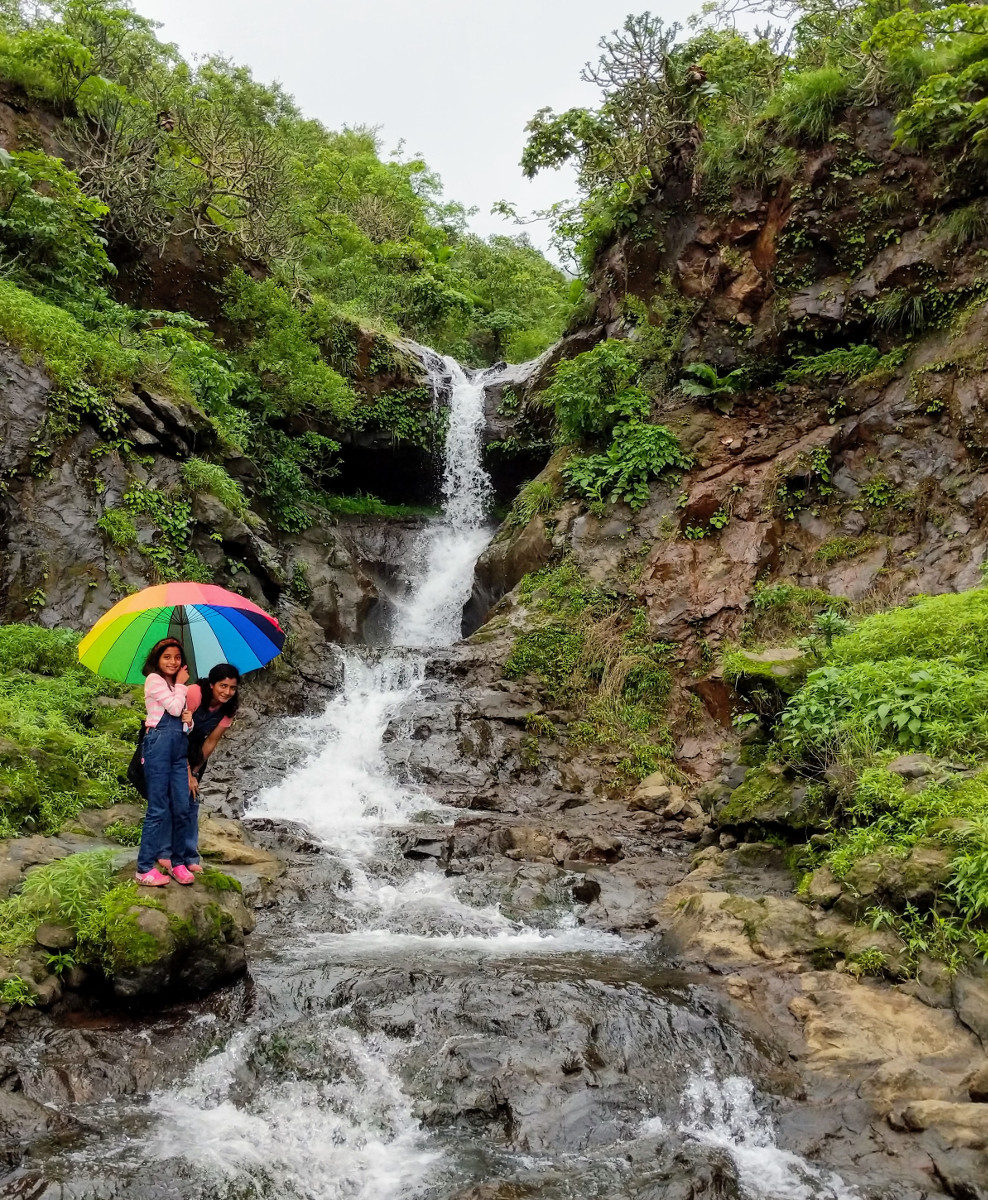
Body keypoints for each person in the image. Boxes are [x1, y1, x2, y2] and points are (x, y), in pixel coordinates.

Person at [135, 638, 198, 887]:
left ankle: (179, 862)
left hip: (178, 748)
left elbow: (181, 721)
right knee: (158, 809)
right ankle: (143, 869)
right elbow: (171, 709)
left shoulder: (174, 684)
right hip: (158, 747)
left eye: (177, 657)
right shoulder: (154, 680)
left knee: (182, 808)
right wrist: (182, 687)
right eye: (167, 657)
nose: (173, 662)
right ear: (157, 660)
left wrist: (189, 720)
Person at [181, 664, 241, 873]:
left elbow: (212, 741)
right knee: (172, 801)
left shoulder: (229, 707)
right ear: (212, 684)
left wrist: (195, 771)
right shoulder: (194, 693)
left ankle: (189, 856)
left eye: (232, 688)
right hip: (174, 744)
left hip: (197, 750)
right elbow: (178, 733)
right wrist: (187, 772)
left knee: (191, 800)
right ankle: (168, 855)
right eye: (222, 686)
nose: (227, 692)